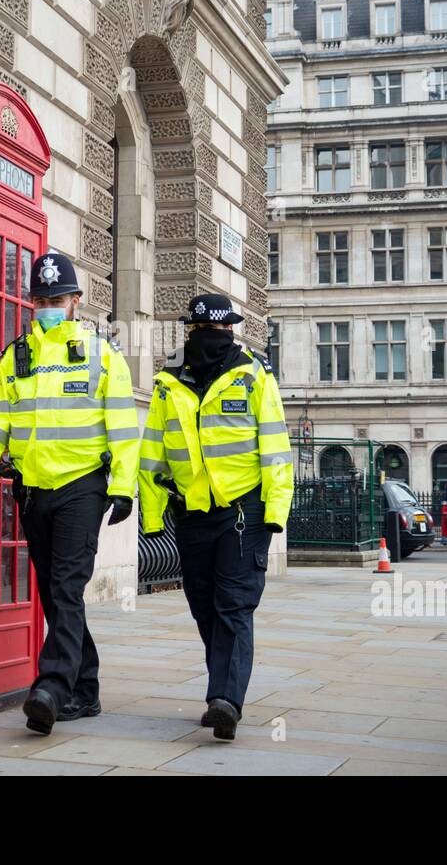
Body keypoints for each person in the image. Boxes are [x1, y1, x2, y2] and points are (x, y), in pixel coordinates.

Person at [0, 251, 140, 735]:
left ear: (77, 301)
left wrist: (124, 487)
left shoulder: (104, 354)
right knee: (55, 593)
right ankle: (87, 689)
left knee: (64, 588)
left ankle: (51, 688)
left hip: (82, 488)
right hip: (33, 492)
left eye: (57, 298)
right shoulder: (16, 356)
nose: (48, 306)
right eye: (41, 299)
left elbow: (124, 428)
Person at [138, 293, 293, 741]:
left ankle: (224, 700)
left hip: (244, 512)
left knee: (234, 604)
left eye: (221, 331)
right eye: (205, 332)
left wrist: (275, 513)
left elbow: (276, 449)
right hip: (191, 514)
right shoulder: (170, 381)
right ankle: (222, 690)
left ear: (231, 331)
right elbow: (153, 454)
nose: (214, 339)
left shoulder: (253, 375)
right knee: (203, 605)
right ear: (191, 332)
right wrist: (151, 517)